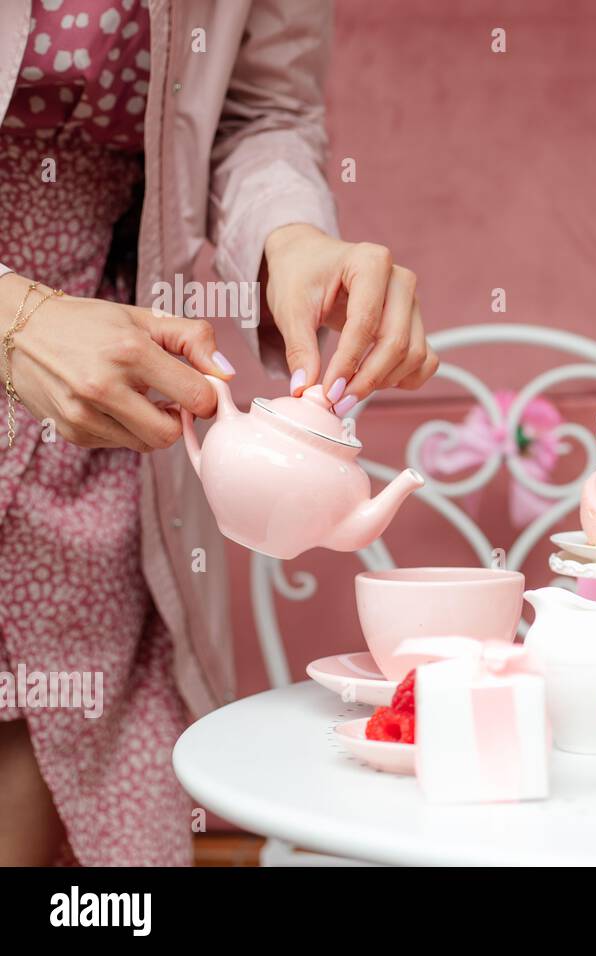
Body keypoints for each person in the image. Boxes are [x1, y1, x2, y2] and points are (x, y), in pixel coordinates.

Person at [0, 0, 436, 865]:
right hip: (53, 335)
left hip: (110, 377)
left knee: (80, 729)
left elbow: (261, 114)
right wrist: (16, 318)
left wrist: (291, 235)